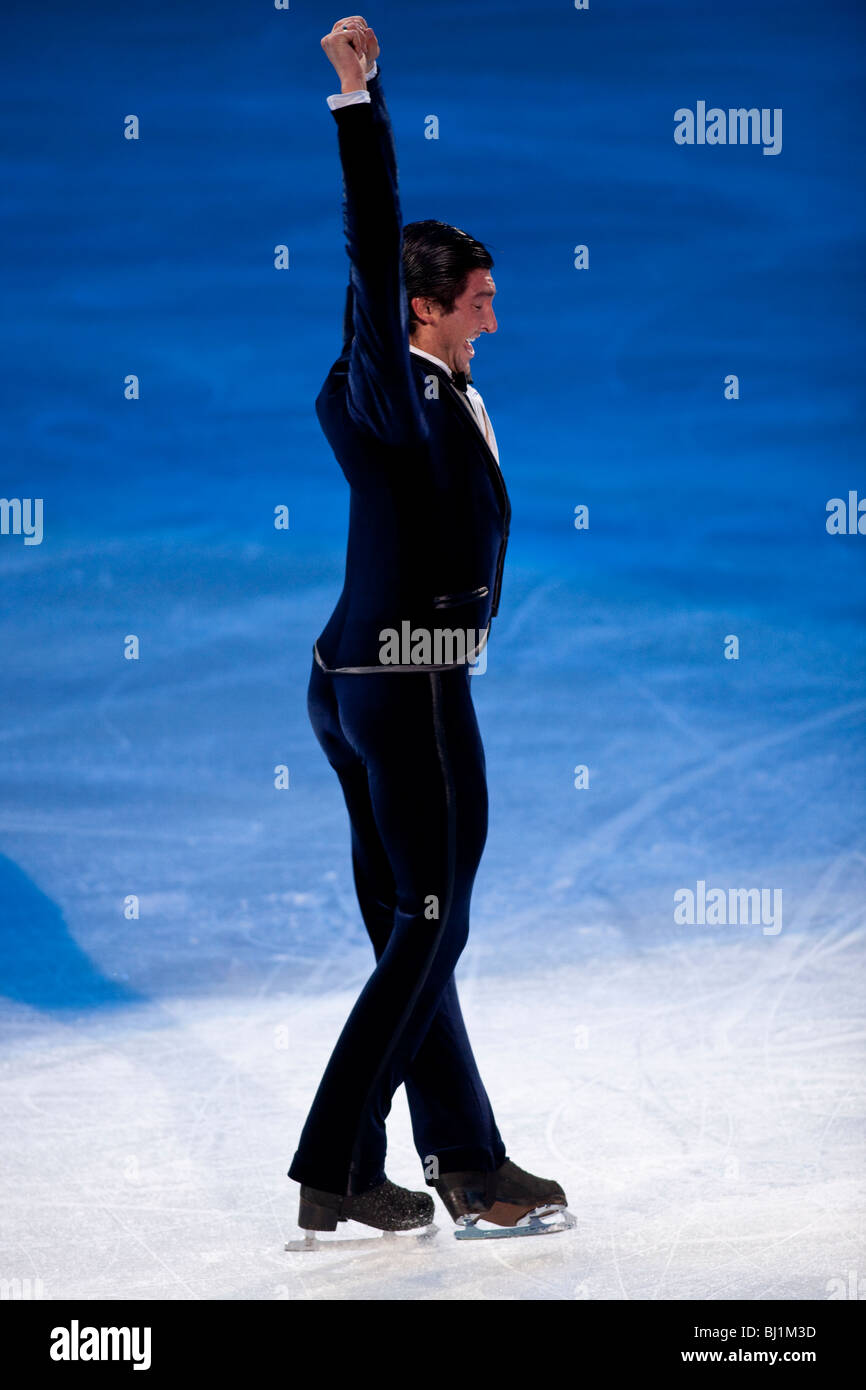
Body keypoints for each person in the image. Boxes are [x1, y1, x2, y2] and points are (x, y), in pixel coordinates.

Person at [287, 15, 568, 1238]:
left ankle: (463, 1157)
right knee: (430, 923)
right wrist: (362, 108)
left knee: (417, 932)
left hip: (358, 675)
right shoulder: (397, 397)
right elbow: (366, 251)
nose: (493, 320)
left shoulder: (411, 393)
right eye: (479, 302)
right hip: (409, 685)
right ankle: (336, 1159)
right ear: (425, 310)